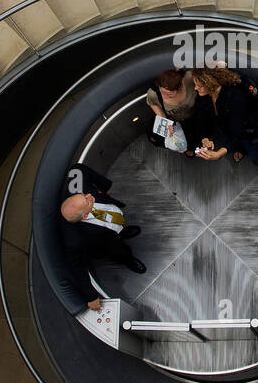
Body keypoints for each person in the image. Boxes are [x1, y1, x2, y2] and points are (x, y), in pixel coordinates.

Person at [59, 162, 145, 313]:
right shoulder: (75, 241)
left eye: (84, 195)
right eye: (87, 200)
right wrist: (91, 296)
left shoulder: (80, 190)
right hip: (104, 242)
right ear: (85, 215)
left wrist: (105, 187)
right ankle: (127, 258)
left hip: (111, 220)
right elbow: (77, 268)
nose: (90, 195)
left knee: (117, 228)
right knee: (119, 252)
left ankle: (121, 231)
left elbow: (78, 168)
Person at [191, 67, 258, 198]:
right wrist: (205, 138)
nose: (195, 89)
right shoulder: (204, 96)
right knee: (235, 145)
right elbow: (201, 117)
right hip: (228, 130)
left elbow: (238, 131)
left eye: (199, 85)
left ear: (210, 83)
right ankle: (240, 150)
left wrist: (219, 154)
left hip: (251, 134)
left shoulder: (235, 97)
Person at [145, 68, 199, 154]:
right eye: (163, 92)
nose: (165, 96)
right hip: (175, 121)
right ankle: (189, 149)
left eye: (169, 94)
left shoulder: (189, 79)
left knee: (197, 134)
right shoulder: (153, 93)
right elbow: (153, 103)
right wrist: (164, 120)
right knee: (184, 141)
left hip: (195, 115)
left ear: (180, 86)